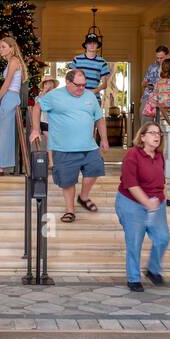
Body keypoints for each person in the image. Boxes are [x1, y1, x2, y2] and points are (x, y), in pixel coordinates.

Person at [29, 67, 109, 223]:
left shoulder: (90, 97)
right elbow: (37, 107)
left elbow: (99, 118)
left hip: (89, 146)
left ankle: (83, 196)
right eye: (77, 85)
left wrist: (104, 139)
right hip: (63, 147)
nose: (81, 88)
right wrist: (36, 129)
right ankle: (70, 210)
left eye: (83, 85)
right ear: (67, 82)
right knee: (68, 181)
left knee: (95, 170)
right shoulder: (54, 96)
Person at [116, 121, 170, 292]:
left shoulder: (160, 156)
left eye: (159, 133)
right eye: (152, 133)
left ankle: (153, 270)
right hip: (131, 202)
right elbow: (130, 184)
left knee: (162, 238)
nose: (157, 136)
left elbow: (161, 179)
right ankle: (133, 278)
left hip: (156, 202)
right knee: (135, 241)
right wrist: (146, 202)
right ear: (143, 136)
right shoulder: (133, 155)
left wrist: (160, 198)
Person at [0, 35, 26, 176]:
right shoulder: (12, 62)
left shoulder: (14, 61)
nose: (0, 49)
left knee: (5, 134)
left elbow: (7, 83)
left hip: (10, 97)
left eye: (3, 47)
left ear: (12, 48)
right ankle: (1, 165)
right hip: (11, 97)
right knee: (6, 133)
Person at [140, 45, 169, 117]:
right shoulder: (152, 67)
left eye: (161, 58)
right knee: (146, 125)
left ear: (167, 56)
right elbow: (143, 84)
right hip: (148, 99)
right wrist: (148, 84)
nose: (159, 60)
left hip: (165, 100)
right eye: (157, 58)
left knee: (162, 126)